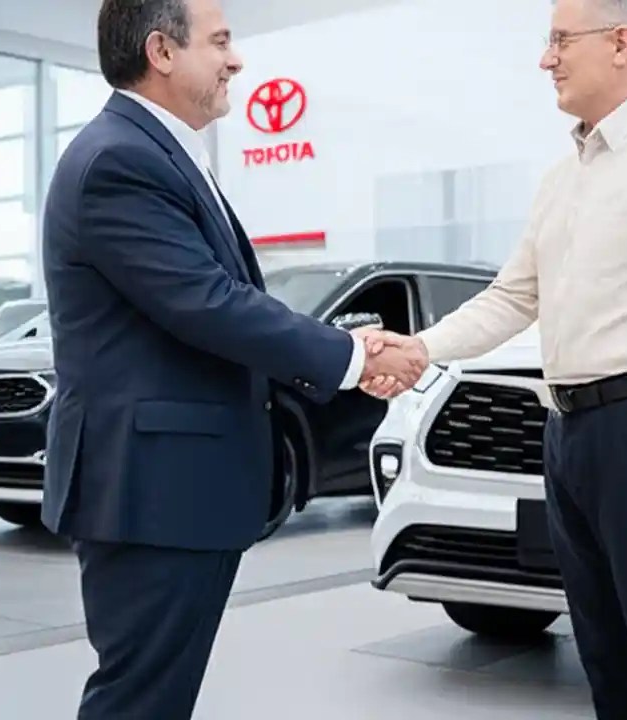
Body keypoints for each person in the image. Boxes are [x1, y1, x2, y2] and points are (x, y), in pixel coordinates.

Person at [366, 0, 627, 717]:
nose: (546, 59)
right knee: (603, 651)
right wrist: (421, 349)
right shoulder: (563, 178)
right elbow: (512, 298)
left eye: (558, 41)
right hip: (567, 433)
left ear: (619, 43)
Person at [40, 1, 425, 717]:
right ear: (161, 51)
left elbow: (216, 304)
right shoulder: (119, 161)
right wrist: (350, 354)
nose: (236, 59)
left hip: (174, 490)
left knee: (157, 696)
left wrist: (344, 352)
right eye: (219, 41)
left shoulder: (157, 153)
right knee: (140, 700)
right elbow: (207, 303)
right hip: (149, 493)